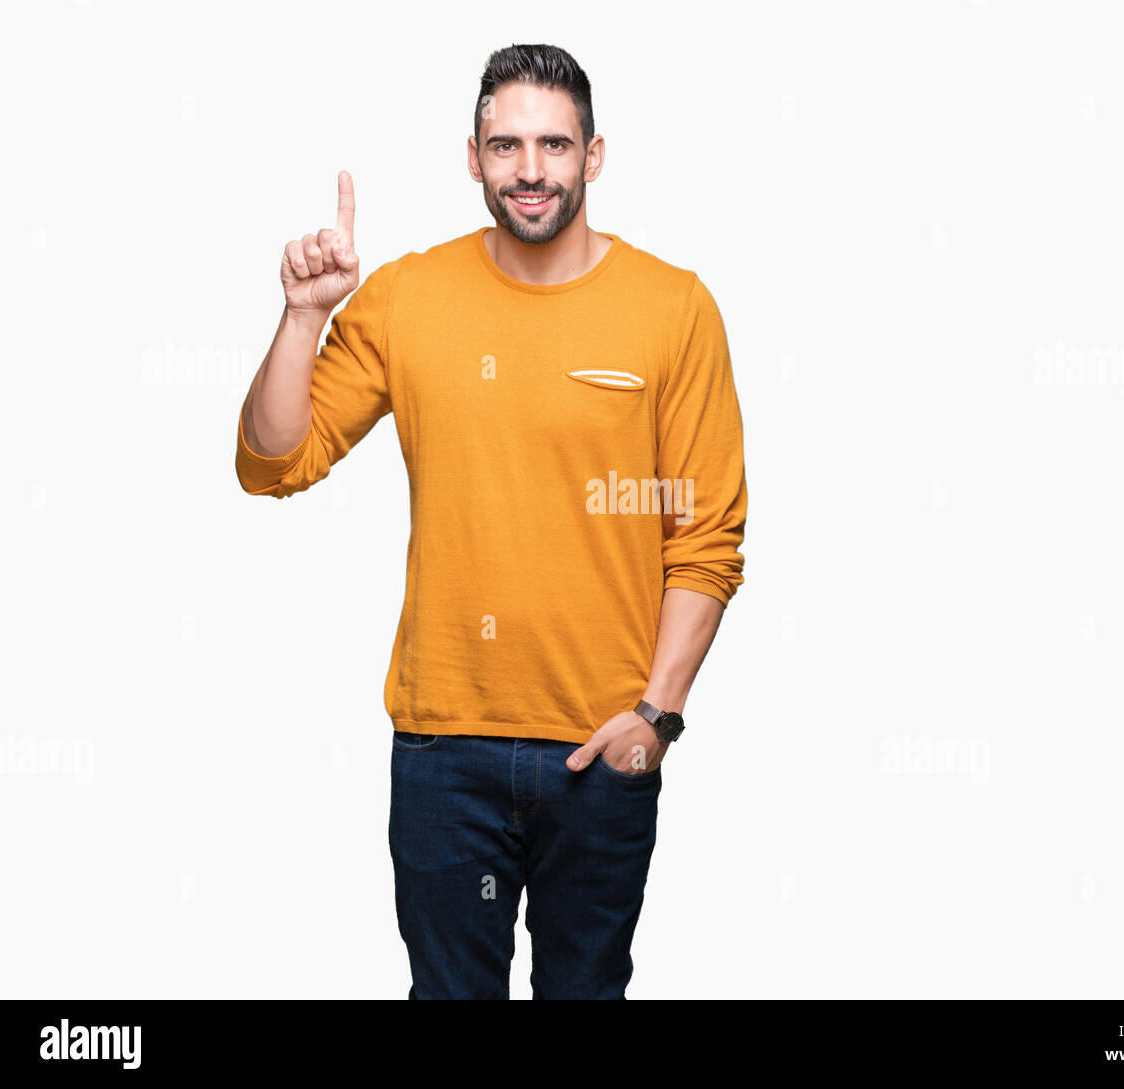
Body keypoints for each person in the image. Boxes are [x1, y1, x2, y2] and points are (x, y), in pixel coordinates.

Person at [234, 42, 747, 999]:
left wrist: (656, 717)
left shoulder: (674, 308)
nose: (530, 169)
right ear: (472, 158)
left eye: (554, 144)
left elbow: (705, 535)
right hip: (444, 749)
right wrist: (304, 317)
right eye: (504, 145)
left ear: (594, 156)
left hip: (601, 745)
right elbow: (272, 462)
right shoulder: (408, 297)